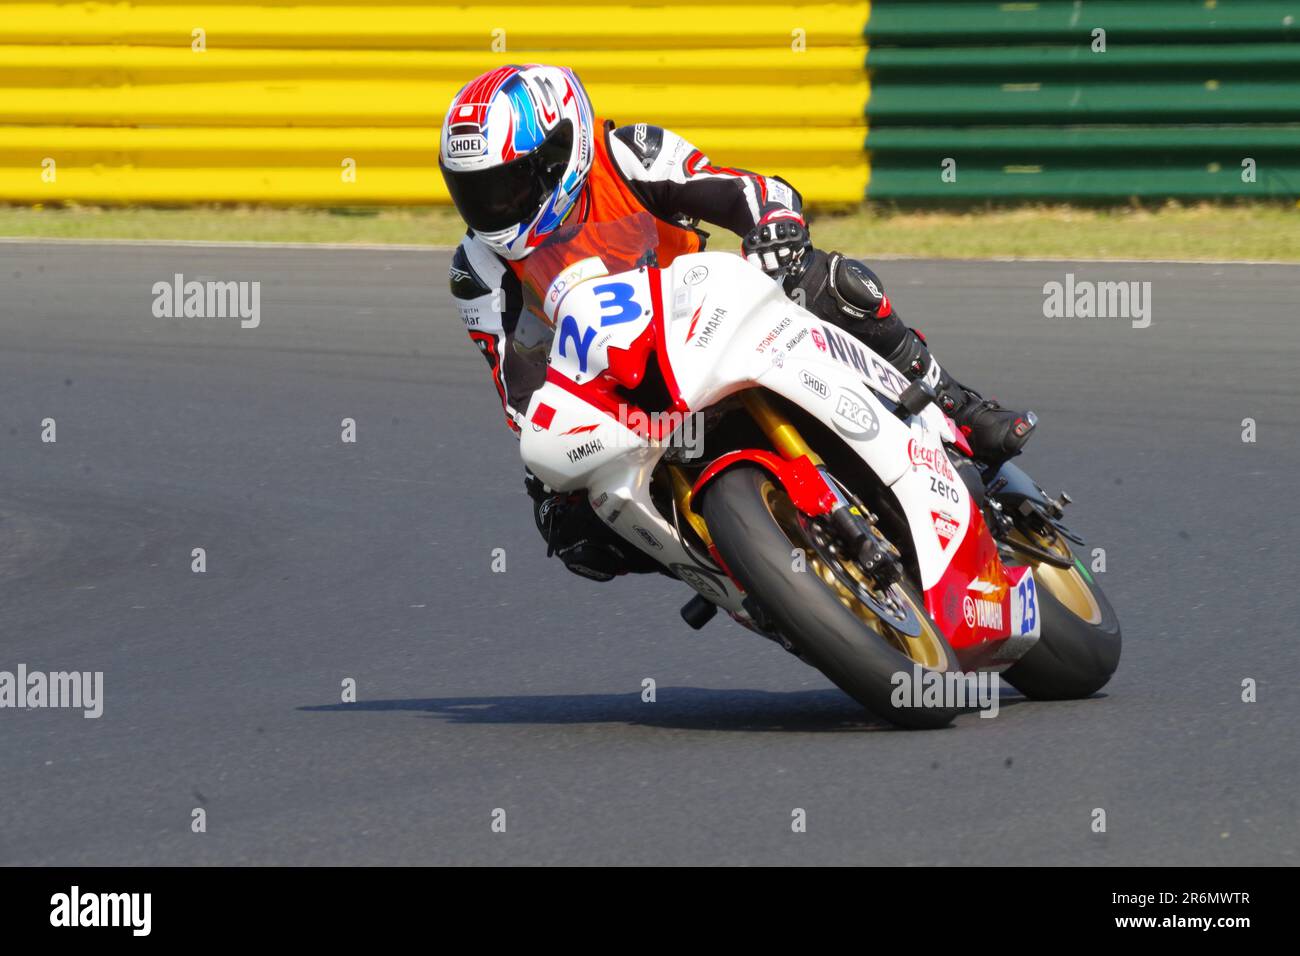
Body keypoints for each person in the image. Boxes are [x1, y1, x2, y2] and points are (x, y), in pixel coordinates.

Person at [440, 64, 1036, 581]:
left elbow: (746, 191)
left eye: (507, 185)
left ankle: (957, 405)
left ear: (557, 154)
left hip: (713, 324)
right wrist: (552, 480)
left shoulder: (628, 153)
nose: (494, 207)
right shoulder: (478, 269)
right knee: (576, 529)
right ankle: (744, 575)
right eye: (475, 192)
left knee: (828, 282)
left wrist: (774, 225)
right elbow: (519, 397)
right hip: (627, 398)